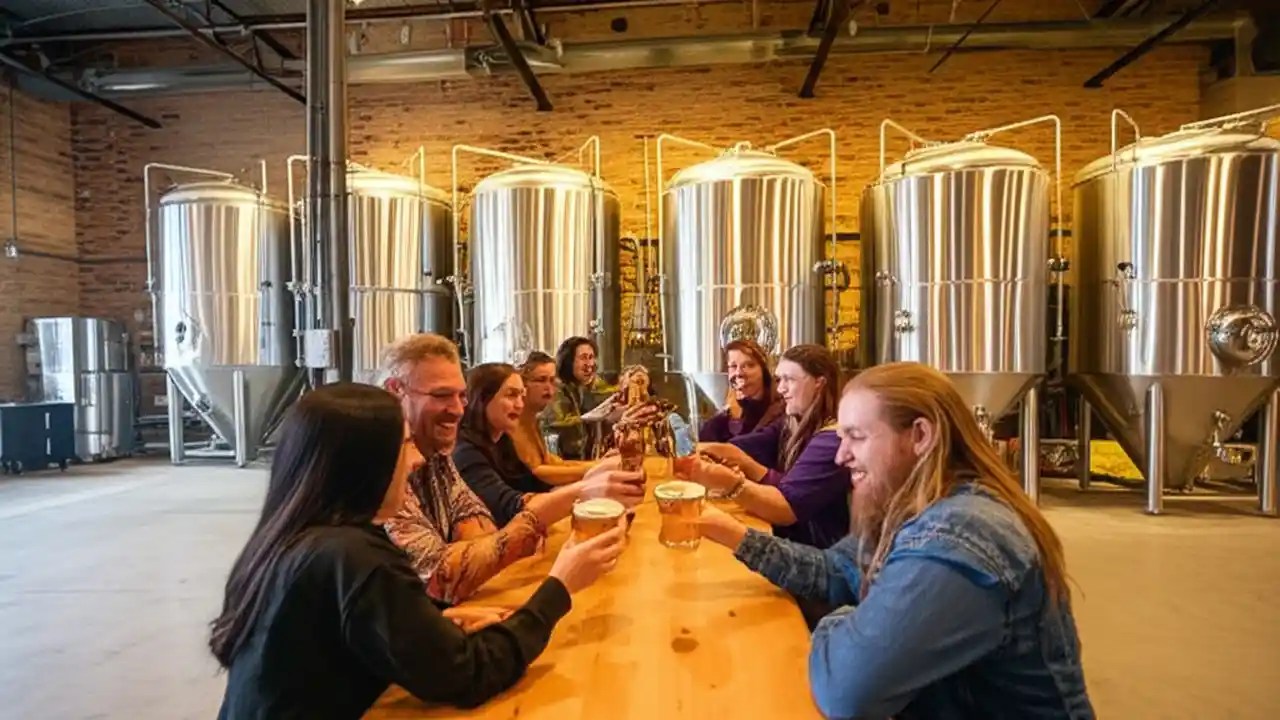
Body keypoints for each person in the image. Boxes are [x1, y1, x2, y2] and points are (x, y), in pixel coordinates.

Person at [695, 362, 1095, 719]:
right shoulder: (910, 508)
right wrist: (734, 536)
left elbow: (847, 690)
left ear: (920, 435)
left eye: (856, 437)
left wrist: (850, 620)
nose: (840, 456)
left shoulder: (961, 533)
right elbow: (834, 570)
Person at [211, 383, 628, 719]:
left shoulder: (289, 537)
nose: (414, 462)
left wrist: (436, 622)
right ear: (366, 464)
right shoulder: (357, 558)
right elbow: (469, 674)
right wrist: (560, 585)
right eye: (405, 446)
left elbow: (336, 646)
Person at [379, 334, 638, 605]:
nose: (457, 410)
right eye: (442, 395)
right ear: (395, 391)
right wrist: (579, 494)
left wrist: (481, 553)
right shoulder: (383, 467)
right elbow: (442, 577)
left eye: (461, 396)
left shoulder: (437, 454)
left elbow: (475, 517)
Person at [692, 344, 849, 551]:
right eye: (779, 380)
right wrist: (693, 452)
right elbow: (745, 446)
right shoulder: (790, 422)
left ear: (818, 383)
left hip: (821, 556)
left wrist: (731, 483)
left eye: (789, 380)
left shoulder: (832, 439)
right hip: (796, 544)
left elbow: (785, 508)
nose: (781, 389)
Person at [452, 362, 645, 526]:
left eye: (521, 395)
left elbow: (536, 483)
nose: (520, 404)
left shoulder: (501, 439)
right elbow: (511, 507)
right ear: (480, 399)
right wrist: (589, 487)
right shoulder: (466, 452)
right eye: (511, 395)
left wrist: (598, 472)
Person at [510, 351, 593, 486]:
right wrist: (595, 469)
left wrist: (598, 463)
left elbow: (549, 461)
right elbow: (539, 471)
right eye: (541, 380)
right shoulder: (514, 420)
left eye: (552, 380)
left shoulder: (533, 418)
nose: (549, 388)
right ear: (523, 385)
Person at [543, 336, 617, 459]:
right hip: (560, 462)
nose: (589, 365)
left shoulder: (588, 384)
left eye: (591, 357)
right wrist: (590, 417)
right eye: (583, 358)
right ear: (569, 361)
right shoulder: (555, 388)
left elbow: (610, 390)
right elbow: (558, 425)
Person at [699, 339, 785, 443]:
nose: (739, 373)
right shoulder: (718, 423)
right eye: (733, 366)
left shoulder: (779, 413)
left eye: (749, 365)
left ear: (764, 371)